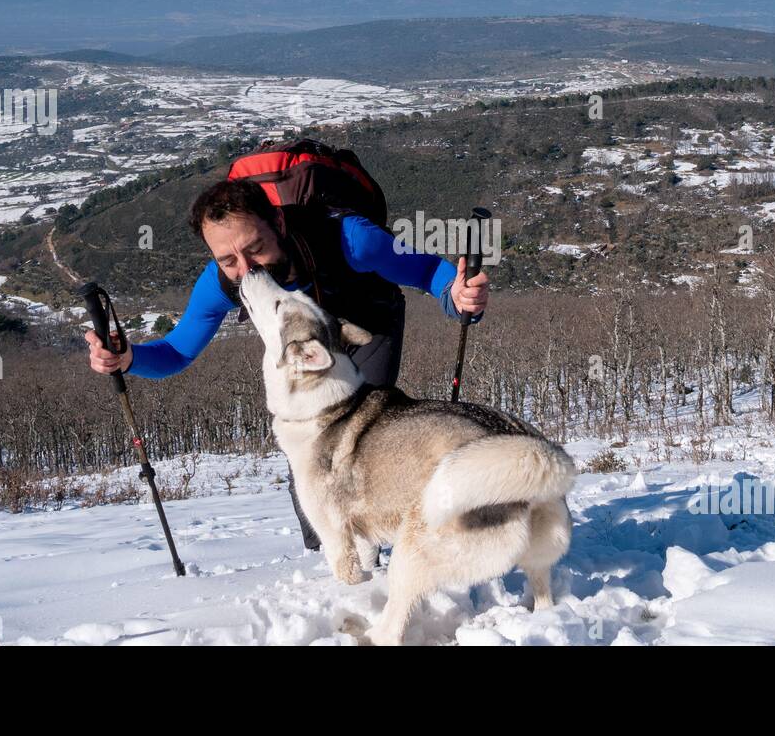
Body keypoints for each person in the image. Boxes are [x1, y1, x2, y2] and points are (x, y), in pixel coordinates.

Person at [85, 177, 489, 551]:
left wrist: (457, 296)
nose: (246, 271)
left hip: (368, 324)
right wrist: (128, 357)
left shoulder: (350, 239)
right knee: (310, 450)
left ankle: (402, 533)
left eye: (255, 248)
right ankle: (330, 552)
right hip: (302, 348)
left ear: (278, 221)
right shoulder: (221, 281)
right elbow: (177, 352)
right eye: (228, 260)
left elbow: (425, 270)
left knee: (368, 433)